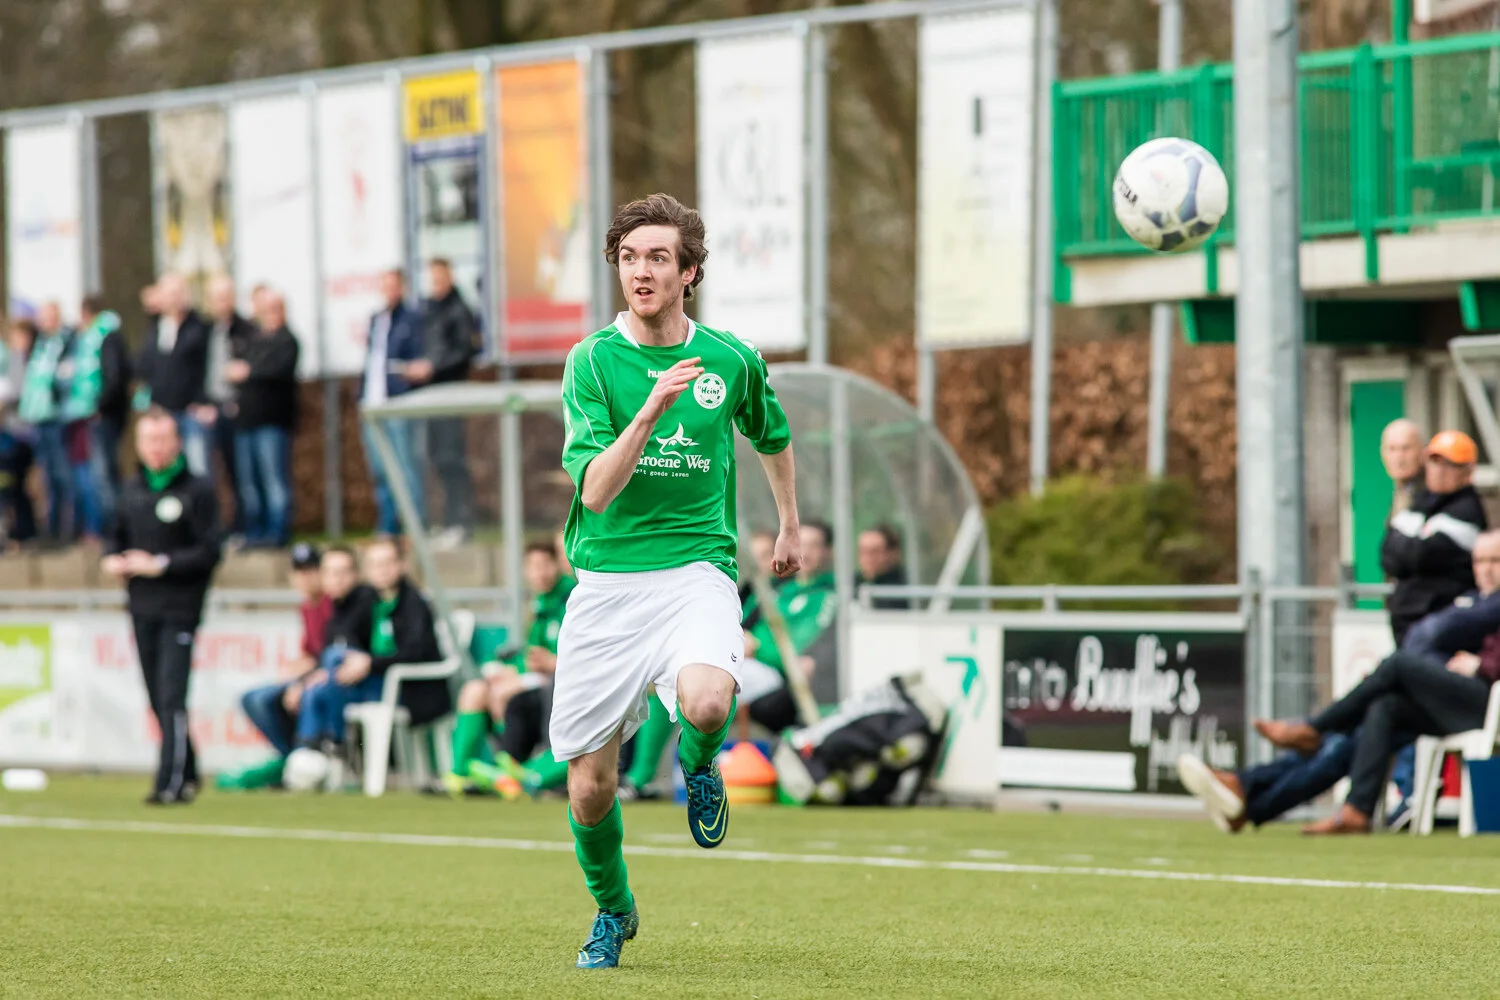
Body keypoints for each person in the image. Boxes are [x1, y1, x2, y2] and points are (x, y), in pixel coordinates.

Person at [554, 192, 800, 969]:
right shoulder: (593, 361)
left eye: (658, 257)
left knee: (706, 699)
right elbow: (594, 491)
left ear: (688, 271)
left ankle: (697, 763)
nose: (641, 271)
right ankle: (614, 910)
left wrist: (789, 522)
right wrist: (650, 411)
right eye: (629, 258)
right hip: (607, 587)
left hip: (697, 569)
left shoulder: (729, 358)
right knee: (591, 788)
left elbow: (773, 432)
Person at [1179, 529, 1500, 832]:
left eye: (1495, 561)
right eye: (1479, 561)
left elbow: (1431, 636)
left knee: (1399, 665)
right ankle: (1274, 802)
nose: (1486, 570)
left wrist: (1479, 663)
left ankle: (1314, 728)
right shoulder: (1473, 600)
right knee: (1380, 711)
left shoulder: (1483, 606)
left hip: (1487, 702)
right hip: (1457, 701)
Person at [101, 408, 223, 805]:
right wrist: (113, 560)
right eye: (148, 440)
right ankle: (187, 768)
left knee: (172, 695)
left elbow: (209, 550)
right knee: (156, 697)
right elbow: (113, 537)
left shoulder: (197, 490)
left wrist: (161, 564)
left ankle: (169, 783)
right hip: (141, 607)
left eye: (161, 440)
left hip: (180, 608)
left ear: (176, 442)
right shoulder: (132, 488)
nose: (155, 448)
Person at [290, 538, 450, 767]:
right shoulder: (367, 601)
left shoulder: (414, 604)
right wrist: (315, 675)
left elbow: (416, 651)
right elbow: (342, 639)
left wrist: (369, 663)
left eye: (388, 563)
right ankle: (308, 753)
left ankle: (332, 744)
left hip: (409, 689)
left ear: (402, 565)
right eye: (375, 564)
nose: (382, 570)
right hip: (372, 685)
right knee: (316, 690)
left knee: (333, 662)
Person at [220, 545, 363, 791]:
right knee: (254, 699)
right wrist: (296, 671)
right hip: (320, 675)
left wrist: (303, 678)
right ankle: (296, 760)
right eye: (299, 571)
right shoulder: (308, 607)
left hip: (335, 680)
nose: (305, 577)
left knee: (291, 695)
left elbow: (336, 653)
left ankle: (304, 760)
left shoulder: (337, 604)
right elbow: (312, 653)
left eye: (311, 570)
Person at [447, 540, 576, 793]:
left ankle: (514, 774)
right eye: (532, 566)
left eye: (544, 565)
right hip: (541, 680)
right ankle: (459, 775)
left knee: (510, 695)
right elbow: (531, 654)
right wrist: (510, 671)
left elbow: (578, 658)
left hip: (563, 685)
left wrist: (545, 665)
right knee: (475, 690)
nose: (539, 572)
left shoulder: (571, 597)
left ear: (557, 565)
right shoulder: (540, 602)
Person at [1381, 430, 1486, 645]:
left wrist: (1408, 548)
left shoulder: (1467, 511)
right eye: (1433, 462)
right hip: (1406, 624)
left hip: (1440, 629)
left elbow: (1420, 556)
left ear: (1468, 471)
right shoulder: (1421, 502)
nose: (1438, 471)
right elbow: (1388, 556)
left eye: (1449, 464)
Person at [740, 521, 839, 732]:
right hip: (756, 669)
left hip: (786, 681)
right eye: (801, 544)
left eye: (815, 545)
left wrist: (757, 648)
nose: (807, 552)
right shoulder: (781, 591)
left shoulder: (829, 595)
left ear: (828, 551)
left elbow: (801, 647)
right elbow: (751, 629)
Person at [408, 258, 479, 549]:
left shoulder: (459, 310)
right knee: (438, 458)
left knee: (452, 458)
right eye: (432, 279)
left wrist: (432, 367)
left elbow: (465, 351)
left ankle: (461, 524)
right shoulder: (427, 310)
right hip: (431, 397)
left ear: (450, 277)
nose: (435, 284)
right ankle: (449, 522)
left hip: (451, 394)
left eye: (440, 278)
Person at [227, 291, 299, 548]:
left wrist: (249, 372)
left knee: (274, 481)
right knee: (249, 484)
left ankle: (277, 533)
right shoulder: (254, 340)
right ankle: (254, 533)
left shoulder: (287, 341)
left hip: (271, 423)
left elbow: (275, 371)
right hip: (246, 423)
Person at [359, 268, 427, 536]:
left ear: (402, 288)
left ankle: (414, 525)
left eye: (393, 286)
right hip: (372, 406)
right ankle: (388, 525)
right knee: (380, 470)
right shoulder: (377, 319)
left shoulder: (411, 319)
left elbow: (417, 359)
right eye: (384, 286)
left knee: (405, 467)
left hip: (397, 404)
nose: (389, 291)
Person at [135, 272, 213, 478]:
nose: (174, 299)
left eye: (178, 293)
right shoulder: (156, 328)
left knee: (198, 471)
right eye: (169, 294)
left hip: (191, 412)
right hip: (163, 411)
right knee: (165, 471)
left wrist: (204, 401)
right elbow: (145, 366)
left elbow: (205, 366)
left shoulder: (198, 327)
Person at [203, 275, 257, 537]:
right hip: (212, 410)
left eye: (225, 296)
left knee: (241, 474)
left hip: (238, 410)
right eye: (216, 298)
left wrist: (240, 400)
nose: (221, 303)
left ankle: (245, 526)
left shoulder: (247, 330)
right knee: (212, 475)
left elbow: (254, 371)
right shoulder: (208, 330)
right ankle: (219, 526)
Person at [74, 295, 133, 535]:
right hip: (105, 412)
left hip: (105, 415)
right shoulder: (105, 336)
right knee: (104, 472)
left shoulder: (106, 337)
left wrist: (100, 406)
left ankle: (115, 528)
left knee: (105, 474)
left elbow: (115, 377)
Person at [18, 303, 75, 543]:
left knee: (63, 474)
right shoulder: (38, 345)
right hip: (38, 419)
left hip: (57, 418)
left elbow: (65, 379)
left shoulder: (66, 343)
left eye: (51, 316)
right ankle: (50, 528)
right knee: (46, 476)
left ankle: (67, 528)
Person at [0, 319, 39, 545]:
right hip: (14, 435)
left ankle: (23, 531)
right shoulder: (14, 359)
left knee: (13, 486)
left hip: (19, 436)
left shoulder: (23, 361)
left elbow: (13, 393)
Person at [858, 524, 911, 610]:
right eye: (863, 552)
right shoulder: (853, 583)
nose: (868, 558)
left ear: (892, 553)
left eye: (875, 552)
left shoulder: (902, 589)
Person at [1381, 418, 1425, 516]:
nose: (1399, 456)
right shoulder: (1402, 489)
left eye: (1406, 448)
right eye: (1392, 449)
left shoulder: (1432, 494)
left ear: (1422, 451)